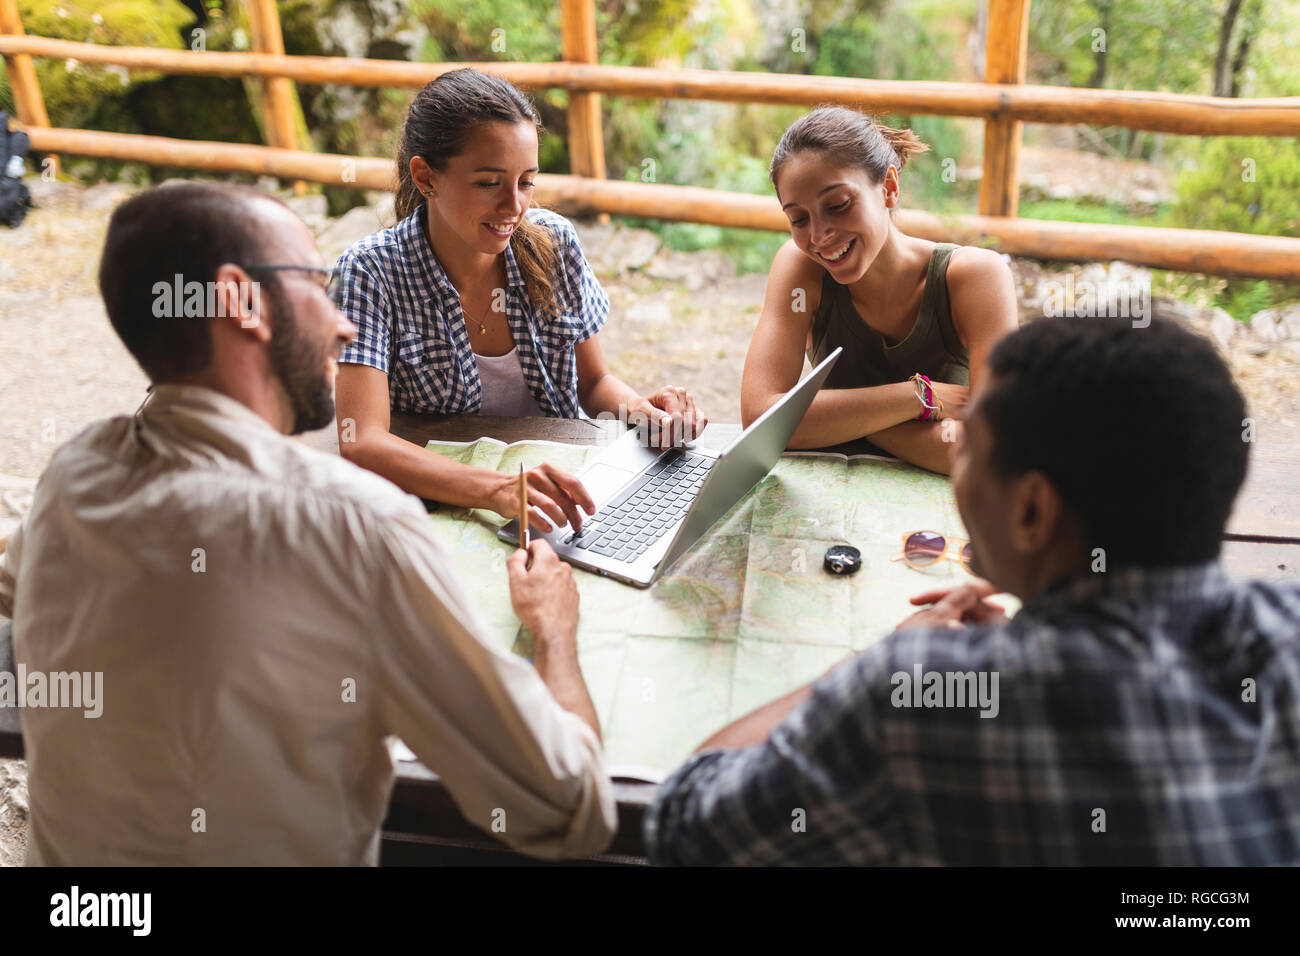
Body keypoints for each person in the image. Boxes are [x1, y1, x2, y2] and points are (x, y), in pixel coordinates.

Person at [0, 181, 616, 865]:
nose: (342, 325)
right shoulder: (351, 523)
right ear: (241, 302)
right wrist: (552, 630)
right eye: (317, 286)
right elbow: (568, 809)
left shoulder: (72, 478)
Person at [646, 313, 1300, 865]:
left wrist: (874, 669)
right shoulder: (1285, 628)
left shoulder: (917, 706)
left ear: (1031, 513)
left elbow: (685, 823)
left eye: (969, 449)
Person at [334, 67, 707, 535]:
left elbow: (594, 384)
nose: (514, 206)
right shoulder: (370, 273)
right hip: (440, 513)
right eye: (489, 183)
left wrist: (641, 412)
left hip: (563, 500)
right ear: (426, 176)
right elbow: (361, 441)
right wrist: (501, 490)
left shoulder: (555, 245)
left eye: (526, 182)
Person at [741, 107, 1019, 474]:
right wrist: (917, 396)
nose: (818, 236)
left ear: (889, 187)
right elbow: (761, 419)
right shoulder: (801, 268)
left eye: (838, 205)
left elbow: (990, 451)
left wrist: (840, 421)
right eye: (798, 219)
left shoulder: (976, 276)